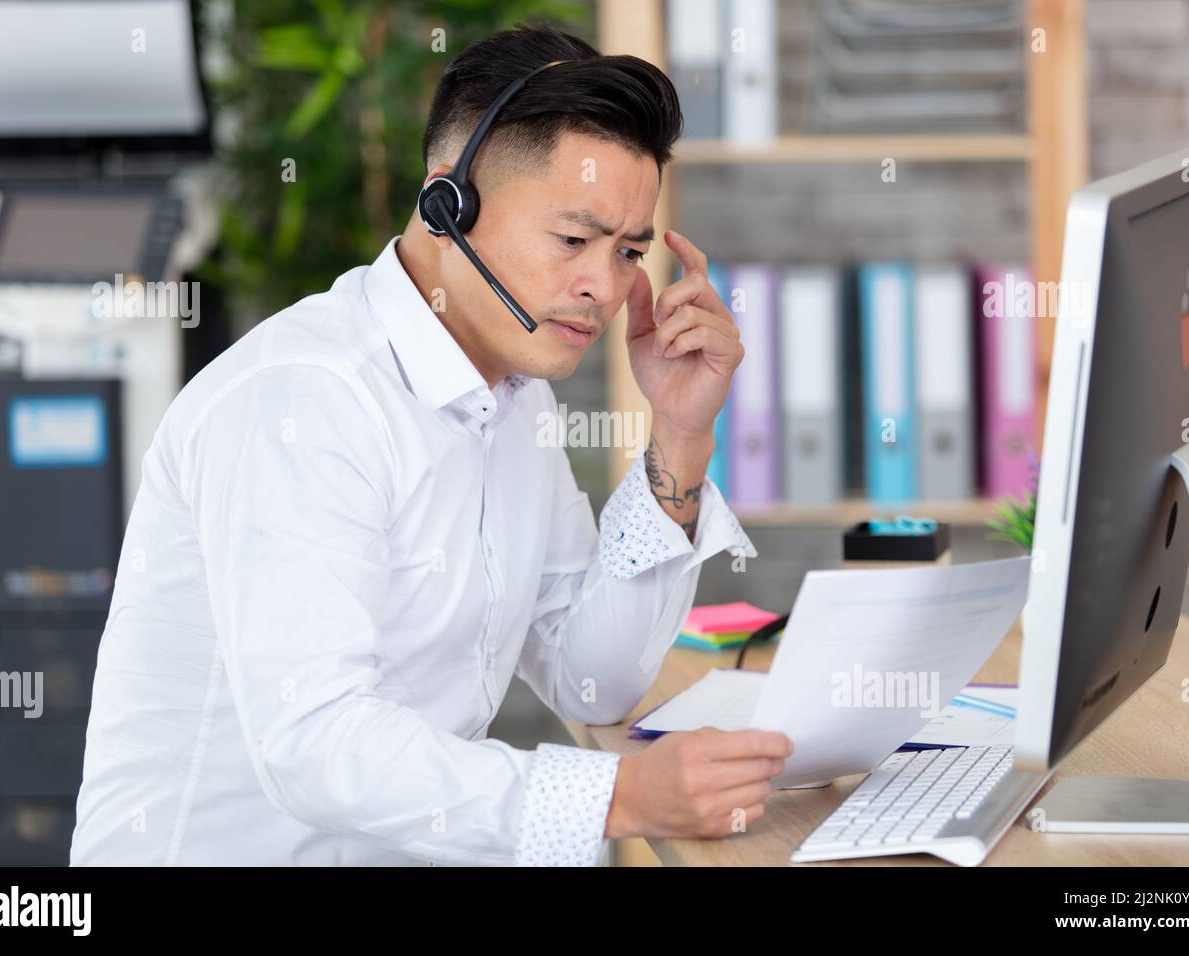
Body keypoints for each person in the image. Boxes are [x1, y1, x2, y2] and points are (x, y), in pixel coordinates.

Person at [71, 24, 791, 867]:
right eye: (573, 240)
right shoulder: (304, 400)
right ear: (448, 205)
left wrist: (680, 432)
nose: (605, 285)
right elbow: (315, 744)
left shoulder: (514, 400)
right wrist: (619, 796)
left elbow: (591, 677)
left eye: (629, 251)